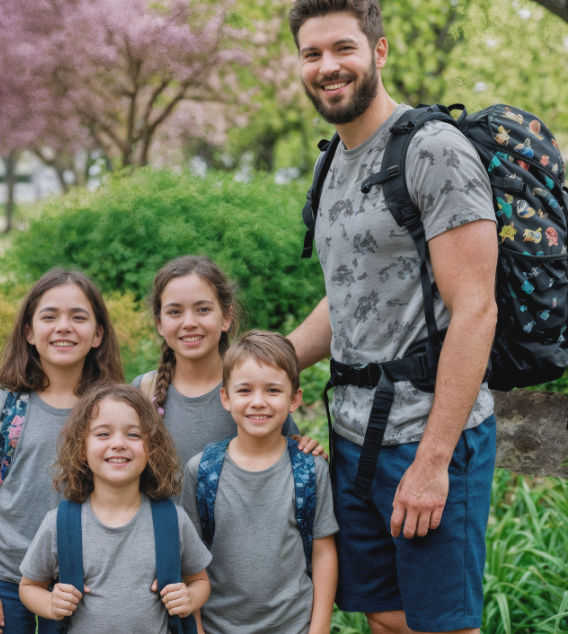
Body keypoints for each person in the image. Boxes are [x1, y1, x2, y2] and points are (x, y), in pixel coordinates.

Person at [286, 2, 498, 633]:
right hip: (353, 439)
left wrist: (433, 461)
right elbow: (350, 296)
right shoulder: (331, 164)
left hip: (428, 437)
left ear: (378, 52)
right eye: (312, 53)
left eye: (343, 49)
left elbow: (475, 310)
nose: (328, 67)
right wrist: (266, 364)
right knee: (386, 620)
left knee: (442, 627)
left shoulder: (433, 151)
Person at [0, 269, 124, 634]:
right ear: (30, 333)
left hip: (78, 579)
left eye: (78, 317)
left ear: (98, 334)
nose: (63, 326)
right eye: (49, 316)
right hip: (4, 575)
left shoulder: (113, 410)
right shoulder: (2, 405)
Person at [19, 382, 212, 633]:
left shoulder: (173, 521)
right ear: (81, 450)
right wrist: (50, 603)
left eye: (133, 434)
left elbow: (200, 581)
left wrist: (190, 597)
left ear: (151, 448)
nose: (118, 443)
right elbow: (28, 587)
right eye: (102, 434)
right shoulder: (59, 524)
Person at [181, 330, 339, 634]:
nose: (258, 402)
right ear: (225, 397)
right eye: (244, 391)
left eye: (272, 391)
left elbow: (324, 554)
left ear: (294, 399)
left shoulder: (309, 469)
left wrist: (319, 630)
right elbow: (189, 558)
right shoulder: (201, 471)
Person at [132, 255, 322, 481]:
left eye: (202, 309)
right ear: (160, 324)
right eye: (175, 312)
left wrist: (304, 448)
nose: (189, 322)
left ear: (226, 317)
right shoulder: (144, 391)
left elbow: (286, 460)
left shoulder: (252, 392)